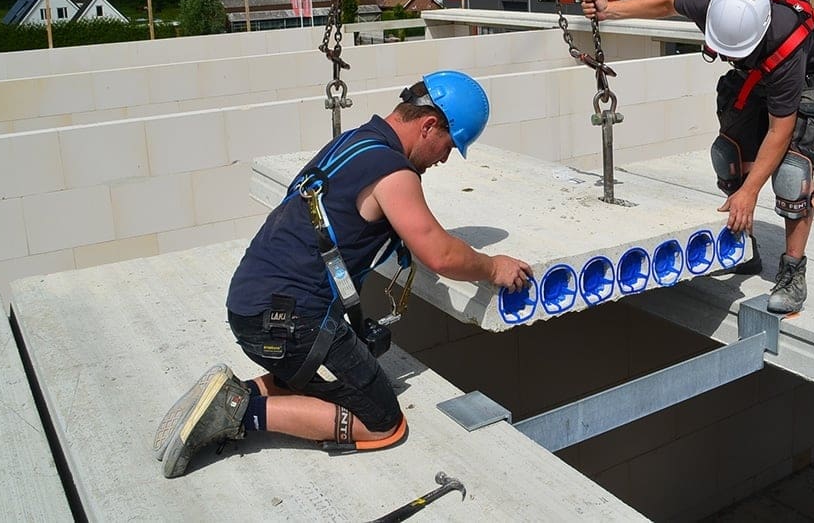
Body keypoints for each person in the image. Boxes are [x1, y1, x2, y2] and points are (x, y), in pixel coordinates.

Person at [153, 70, 533, 478]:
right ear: (428, 125)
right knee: (382, 423)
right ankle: (238, 414)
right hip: (291, 322)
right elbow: (439, 254)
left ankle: (229, 396)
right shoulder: (393, 172)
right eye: (448, 146)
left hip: (252, 308)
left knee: (340, 377)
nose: (443, 158)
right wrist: (493, 266)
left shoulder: (353, 142)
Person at [582, 0, 814, 315]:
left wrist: (750, 191)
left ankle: (792, 272)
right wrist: (609, 10)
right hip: (753, 75)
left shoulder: (786, 41)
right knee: (727, 156)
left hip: (803, 79)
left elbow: (780, 131)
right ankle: (743, 248)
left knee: (793, 176)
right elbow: (666, 1)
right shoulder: (709, 1)